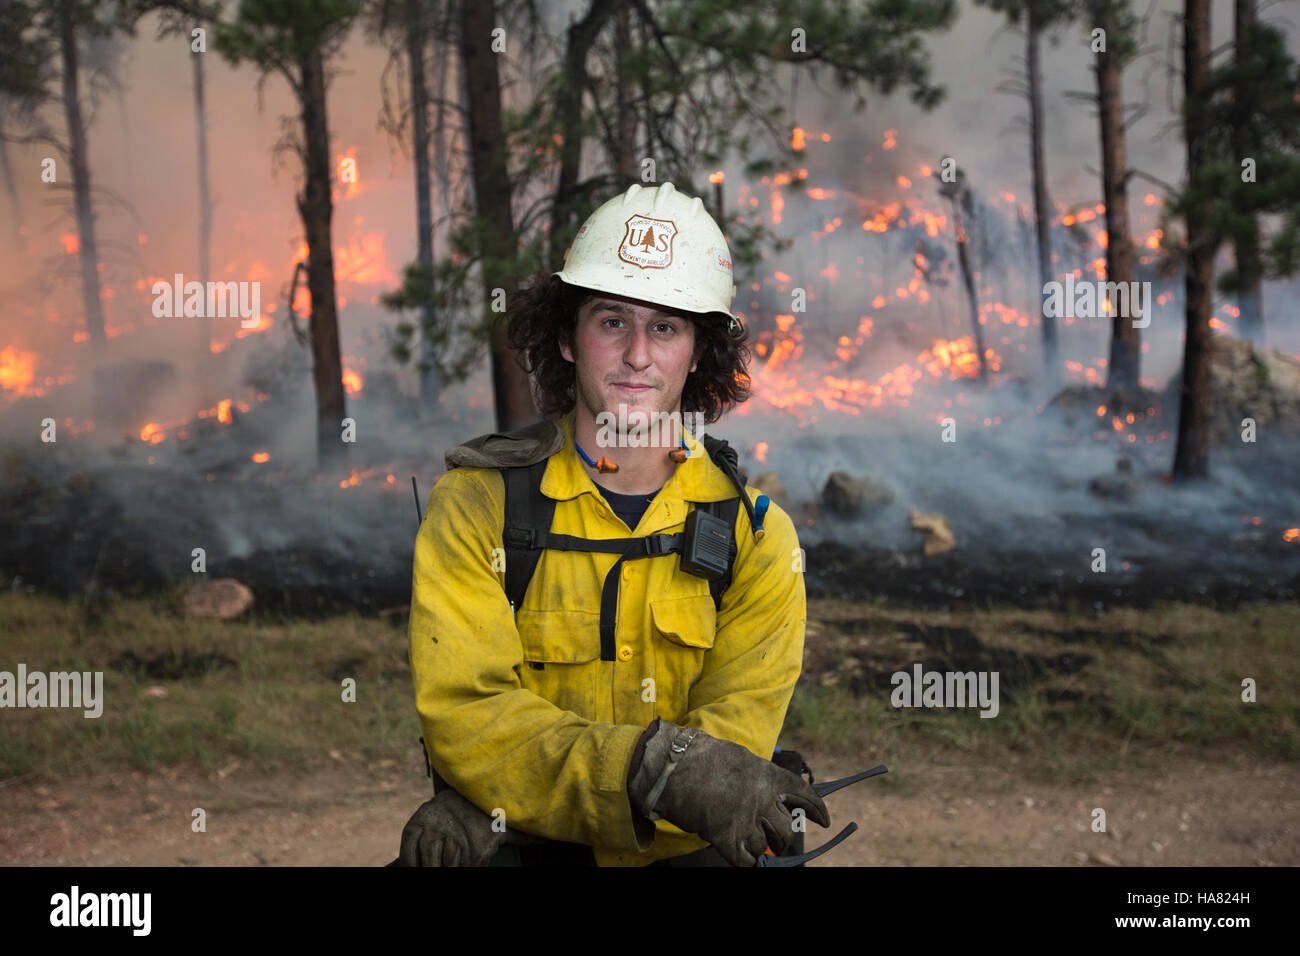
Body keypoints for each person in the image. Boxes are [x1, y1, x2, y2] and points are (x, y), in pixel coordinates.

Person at [399, 182, 828, 867]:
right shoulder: (478, 508)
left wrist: (521, 786)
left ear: (697, 352)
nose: (636, 355)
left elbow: (732, 754)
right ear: (568, 340)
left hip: (683, 854)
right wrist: (651, 768)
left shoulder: (755, 539)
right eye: (611, 321)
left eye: (665, 326)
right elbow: (467, 717)